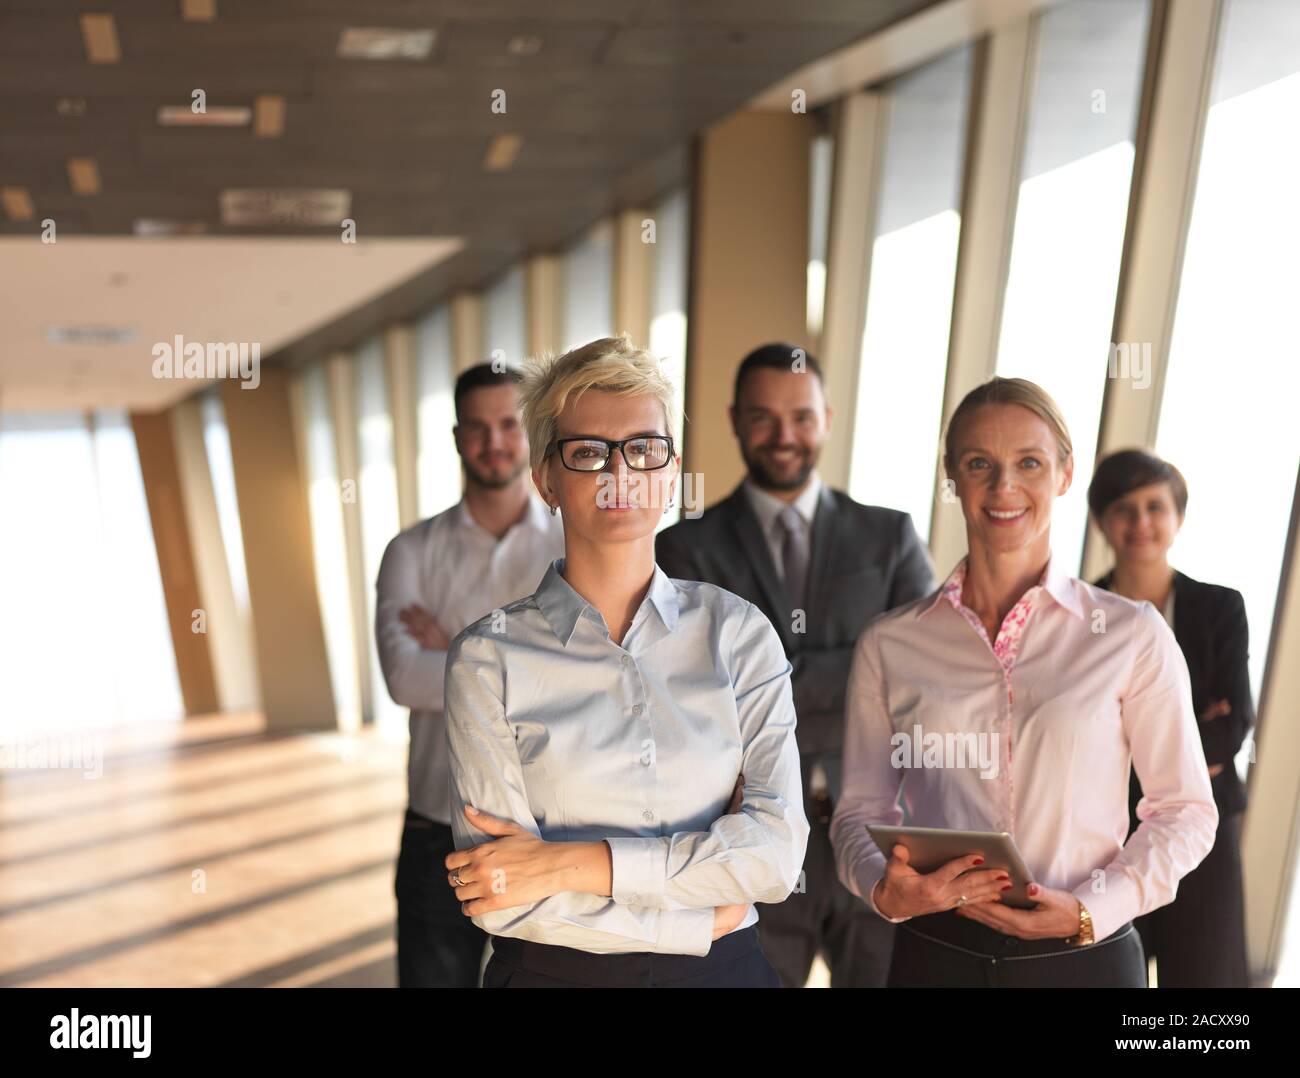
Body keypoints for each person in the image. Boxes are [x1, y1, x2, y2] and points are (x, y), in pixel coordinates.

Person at [442, 336, 809, 987]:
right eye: (588, 453)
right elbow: (500, 890)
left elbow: (776, 858)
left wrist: (568, 864)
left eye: (643, 449)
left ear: (671, 475)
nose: (620, 475)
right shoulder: (487, 658)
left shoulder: (739, 635)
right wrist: (691, 920)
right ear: (546, 481)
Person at [830, 376, 1218, 987]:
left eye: (1028, 463)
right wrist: (884, 889)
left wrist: (1094, 908)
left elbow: (1185, 812)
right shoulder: (891, 643)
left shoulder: (1130, 634)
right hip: (935, 955)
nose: (1003, 486)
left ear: (1065, 475)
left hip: (1084, 959)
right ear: (953, 477)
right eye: (979, 462)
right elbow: (858, 812)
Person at [656, 342, 934, 987]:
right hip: (746, 833)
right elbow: (694, 694)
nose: (784, 436)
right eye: (763, 417)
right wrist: (860, 667)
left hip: (880, 833)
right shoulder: (684, 546)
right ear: (733, 419)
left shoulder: (888, 536)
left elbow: (921, 671)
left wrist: (769, 675)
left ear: (828, 419)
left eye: (801, 418)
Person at [376, 362, 564, 988]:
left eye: (509, 424)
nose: (494, 442)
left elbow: (589, 677)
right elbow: (405, 678)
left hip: (552, 825)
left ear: (530, 432)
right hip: (437, 825)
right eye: (478, 428)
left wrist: (455, 648)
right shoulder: (412, 551)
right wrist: (533, 662)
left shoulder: (570, 544)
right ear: (458, 437)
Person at [1089, 448, 1253, 987]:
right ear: (1101, 522)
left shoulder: (1219, 607)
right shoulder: (1078, 615)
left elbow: (1233, 725)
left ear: (1178, 517)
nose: (1141, 523)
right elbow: (1084, 737)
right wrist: (1184, 740)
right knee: (1108, 975)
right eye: (1124, 508)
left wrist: (1140, 747)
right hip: (1106, 833)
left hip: (1204, 828)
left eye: (1155, 507)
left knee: (1204, 990)